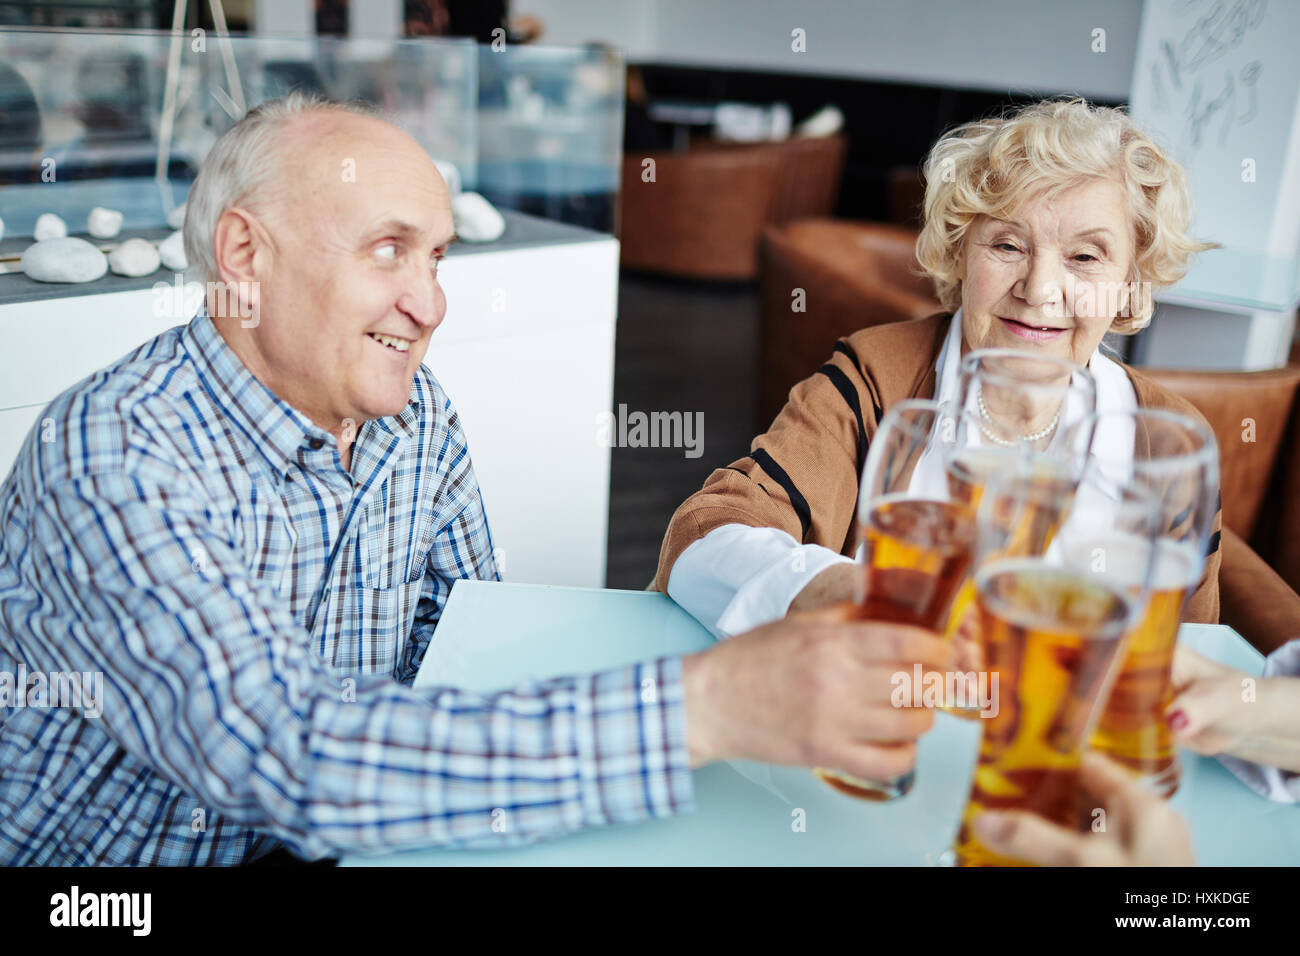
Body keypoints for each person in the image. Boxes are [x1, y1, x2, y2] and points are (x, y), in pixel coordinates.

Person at [0, 93, 950, 865]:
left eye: (439, 256)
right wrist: (709, 705)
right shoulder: (116, 447)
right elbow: (285, 754)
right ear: (246, 256)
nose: (432, 303)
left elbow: (474, 643)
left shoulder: (416, 415)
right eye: (388, 249)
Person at [654, 97, 1223, 638]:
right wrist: (872, 596)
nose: (1040, 290)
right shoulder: (876, 377)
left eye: (1085, 257)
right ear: (960, 252)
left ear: (1130, 283)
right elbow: (706, 535)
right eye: (1007, 245)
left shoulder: (1168, 443)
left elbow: (1189, 661)